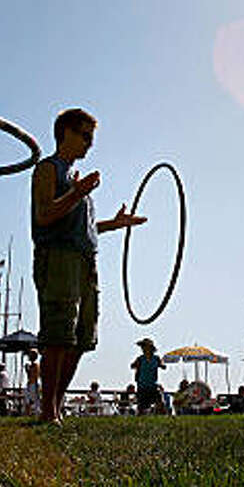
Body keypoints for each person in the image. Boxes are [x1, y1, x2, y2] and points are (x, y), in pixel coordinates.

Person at [31, 108, 146, 424]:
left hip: (85, 262)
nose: (89, 144)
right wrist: (77, 193)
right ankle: (47, 411)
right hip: (57, 259)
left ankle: (55, 404)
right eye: (84, 136)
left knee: (81, 338)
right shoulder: (47, 170)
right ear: (65, 132)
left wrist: (115, 223)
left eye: (91, 138)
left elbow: (83, 227)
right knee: (58, 334)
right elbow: (44, 215)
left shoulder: (74, 180)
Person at [130, 337, 166, 415]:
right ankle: (139, 420)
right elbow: (132, 365)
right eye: (142, 347)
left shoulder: (156, 358)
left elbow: (163, 365)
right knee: (142, 406)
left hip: (153, 384)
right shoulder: (140, 359)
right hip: (142, 385)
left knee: (160, 402)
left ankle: (163, 418)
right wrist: (135, 365)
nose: (142, 348)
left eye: (144, 346)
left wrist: (162, 365)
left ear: (150, 348)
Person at [23, 349, 41, 416]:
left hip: (34, 384)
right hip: (30, 383)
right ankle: (28, 413)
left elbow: (36, 376)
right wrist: (27, 370)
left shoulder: (36, 365)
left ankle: (35, 413)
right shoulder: (31, 365)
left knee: (35, 400)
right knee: (28, 399)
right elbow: (30, 376)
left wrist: (36, 386)